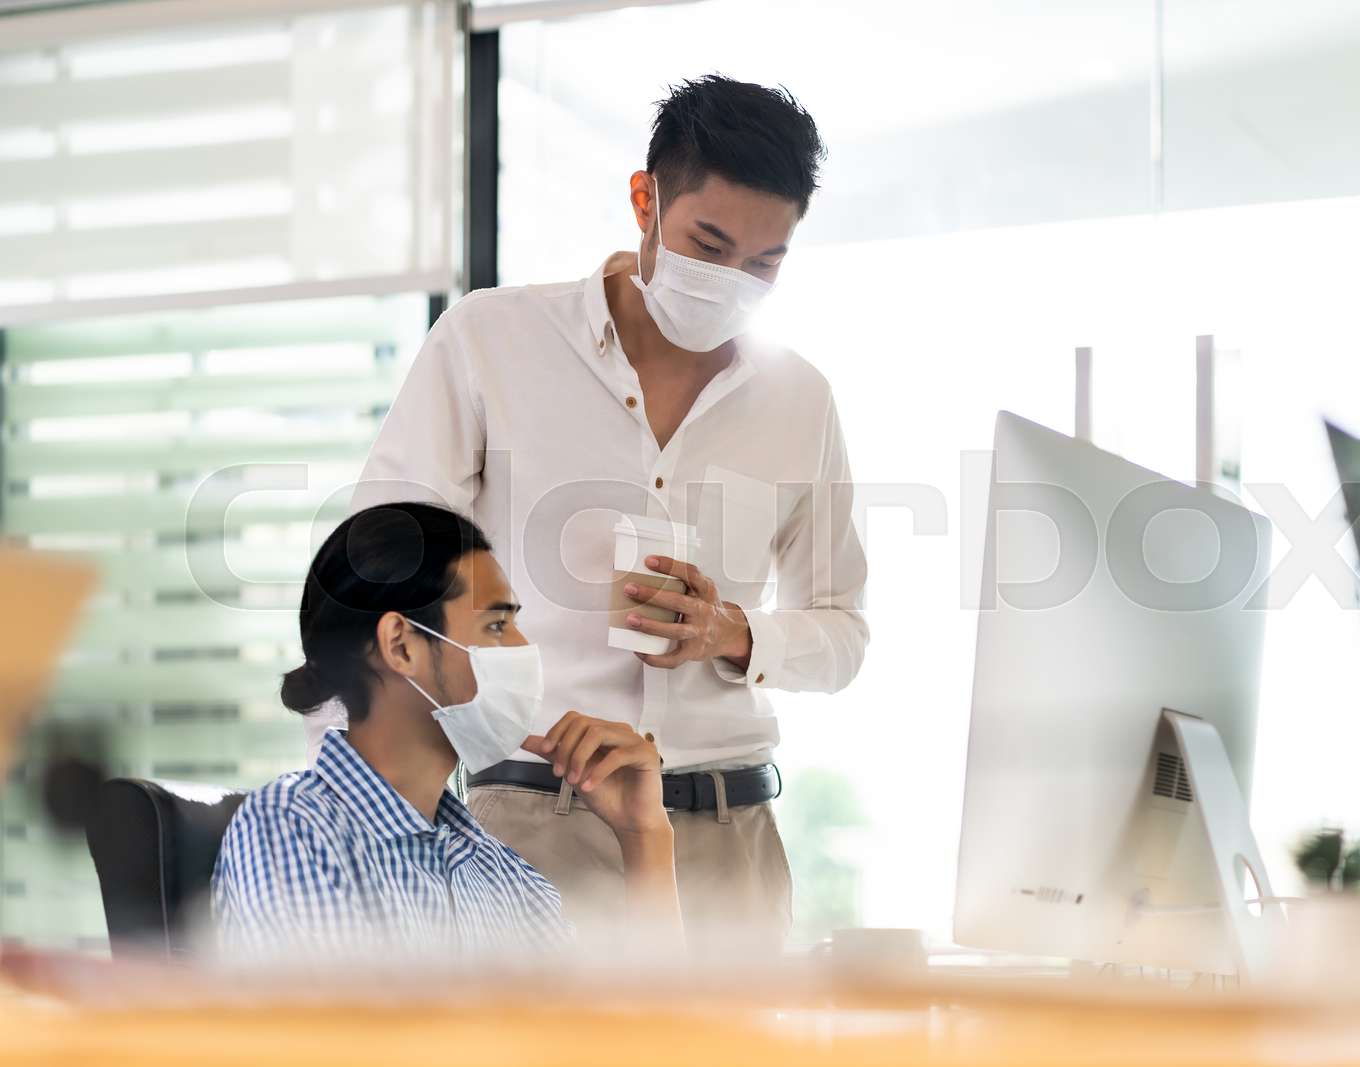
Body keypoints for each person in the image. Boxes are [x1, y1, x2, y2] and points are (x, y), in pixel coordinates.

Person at [318, 75, 869, 952]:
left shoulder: (801, 400)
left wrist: (734, 633)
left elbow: (844, 634)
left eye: (765, 263)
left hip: (730, 842)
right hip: (532, 825)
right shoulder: (491, 340)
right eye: (709, 245)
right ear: (645, 201)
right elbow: (378, 565)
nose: (733, 282)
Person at [213, 502, 680, 961]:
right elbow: (346, 1035)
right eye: (497, 624)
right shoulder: (293, 827)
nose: (523, 648)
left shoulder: (501, 874)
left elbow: (629, 1034)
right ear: (400, 645)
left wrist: (645, 835)